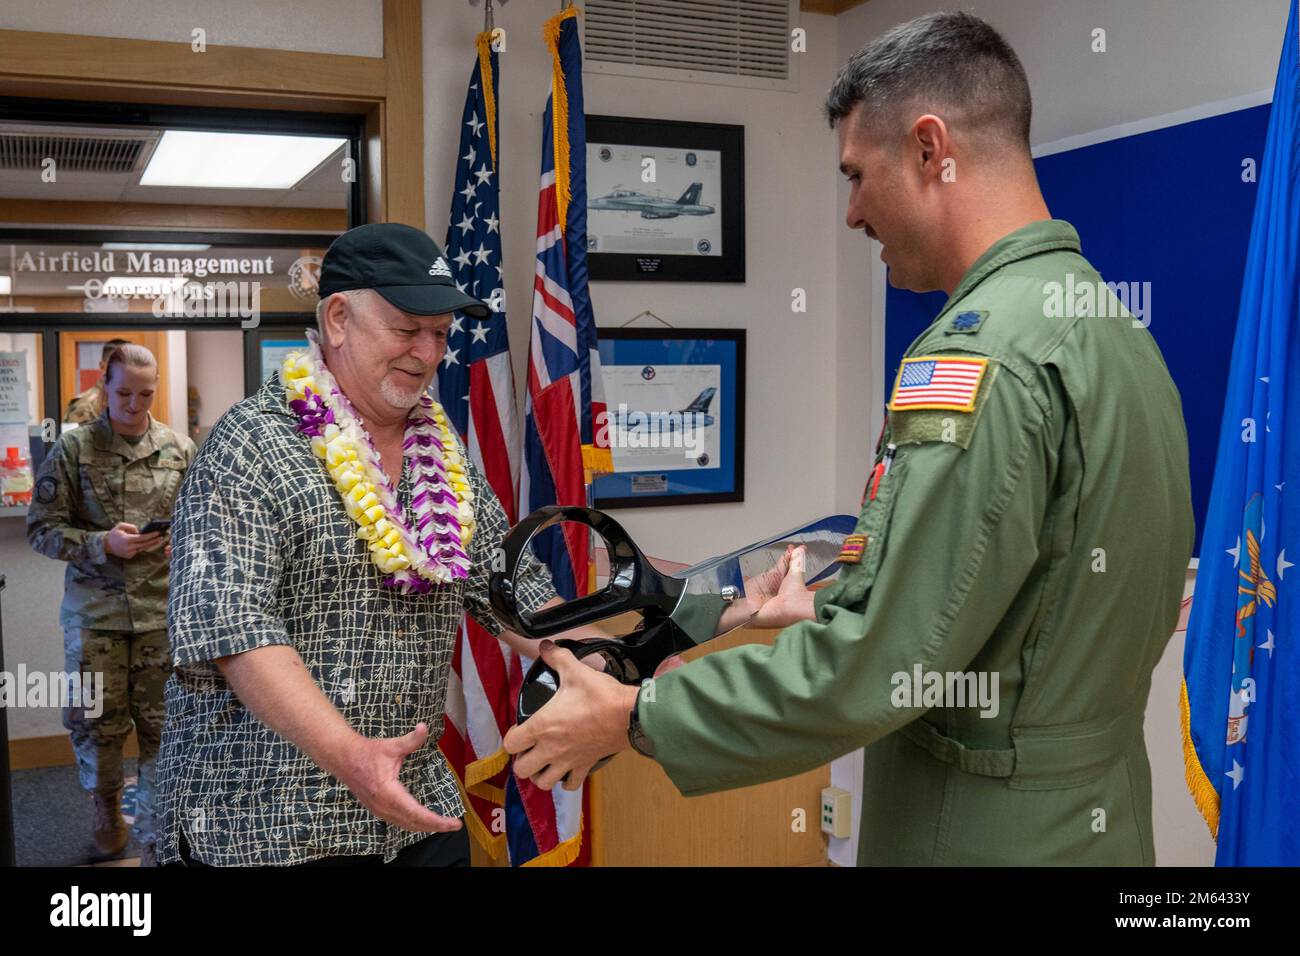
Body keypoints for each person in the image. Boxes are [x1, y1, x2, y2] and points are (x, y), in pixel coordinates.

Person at [503, 11, 1196, 866]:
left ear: (930, 147)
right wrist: (820, 602)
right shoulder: (1116, 331)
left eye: (858, 175)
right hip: (1102, 823)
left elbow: (881, 666)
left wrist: (635, 717)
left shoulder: (978, 359)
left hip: (975, 833)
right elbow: (1027, 607)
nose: (853, 213)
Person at [154, 223, 568, 867]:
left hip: (414, 807)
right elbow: (235, 632)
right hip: (268, 820)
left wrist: (608, 662)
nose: (429, 353)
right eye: (408, 329)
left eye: (441, 333)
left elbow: (507, 587)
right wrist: (352, 757)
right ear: (339, 318)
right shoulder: (247, 446)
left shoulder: (442, 448)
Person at [28, 343, 196, 865]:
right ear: (105, 386)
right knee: (97, 725)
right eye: (124, 392)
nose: (134, 403)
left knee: (164, 729)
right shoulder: (76, 447)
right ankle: (104, 807)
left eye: (146, 393)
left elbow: (201, 524)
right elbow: (42, 529)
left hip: (160, 615)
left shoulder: (178, 448)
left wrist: (179, 540)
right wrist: (105, 543)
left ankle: (153, 825)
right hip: (95, 619)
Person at [63, 338, 130, 425]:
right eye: (117, 364)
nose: (126, 368)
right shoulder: (85, 406)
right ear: (102, 366)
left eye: (130, 363)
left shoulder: (135, 400)